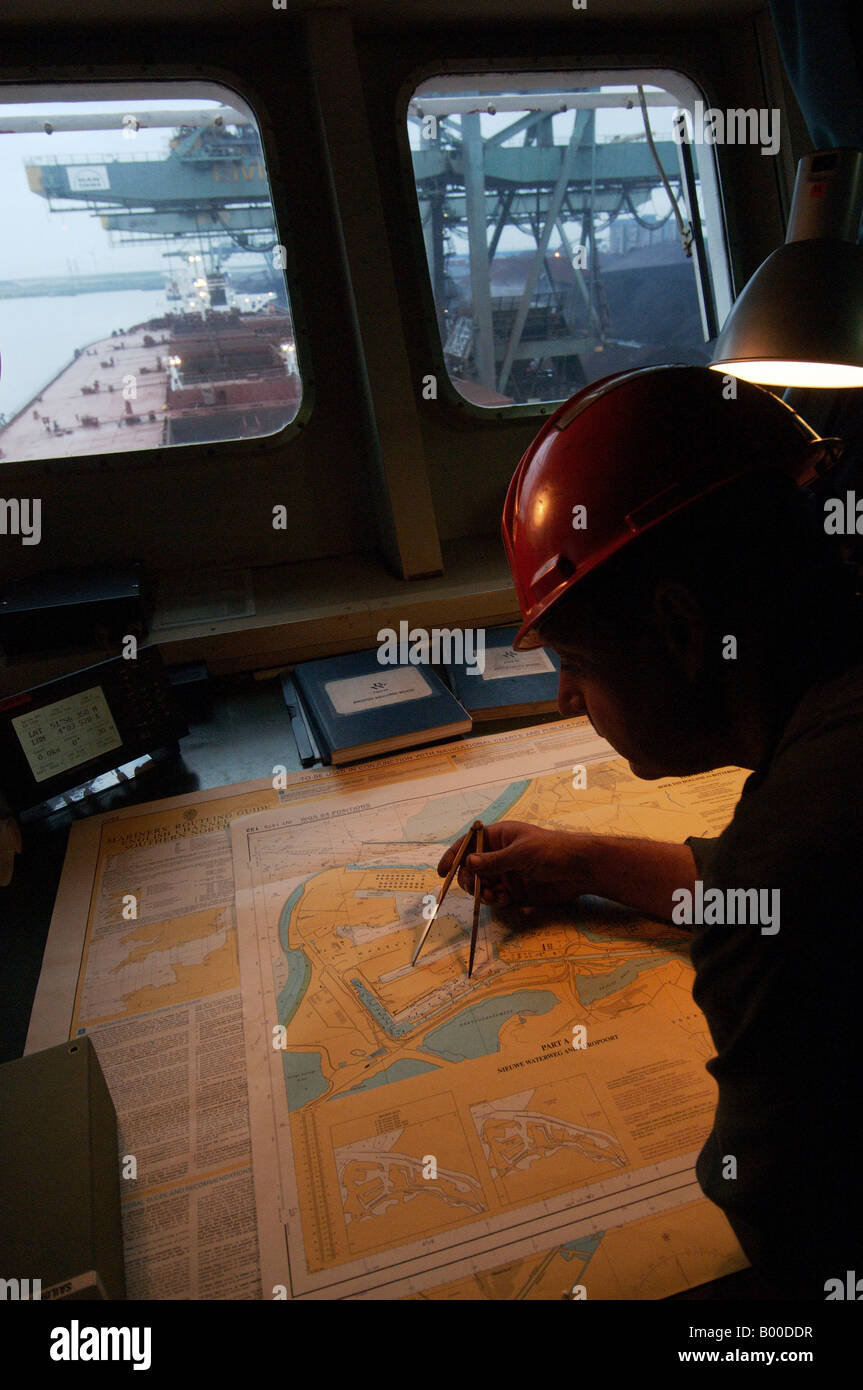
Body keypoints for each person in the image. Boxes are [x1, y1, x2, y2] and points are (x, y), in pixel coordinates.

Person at [438, 365, 863, 1299]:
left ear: (678, 626)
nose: (564, 697)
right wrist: (587, 860)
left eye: (574, 661)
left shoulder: (793, 858)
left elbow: (790, 1226)